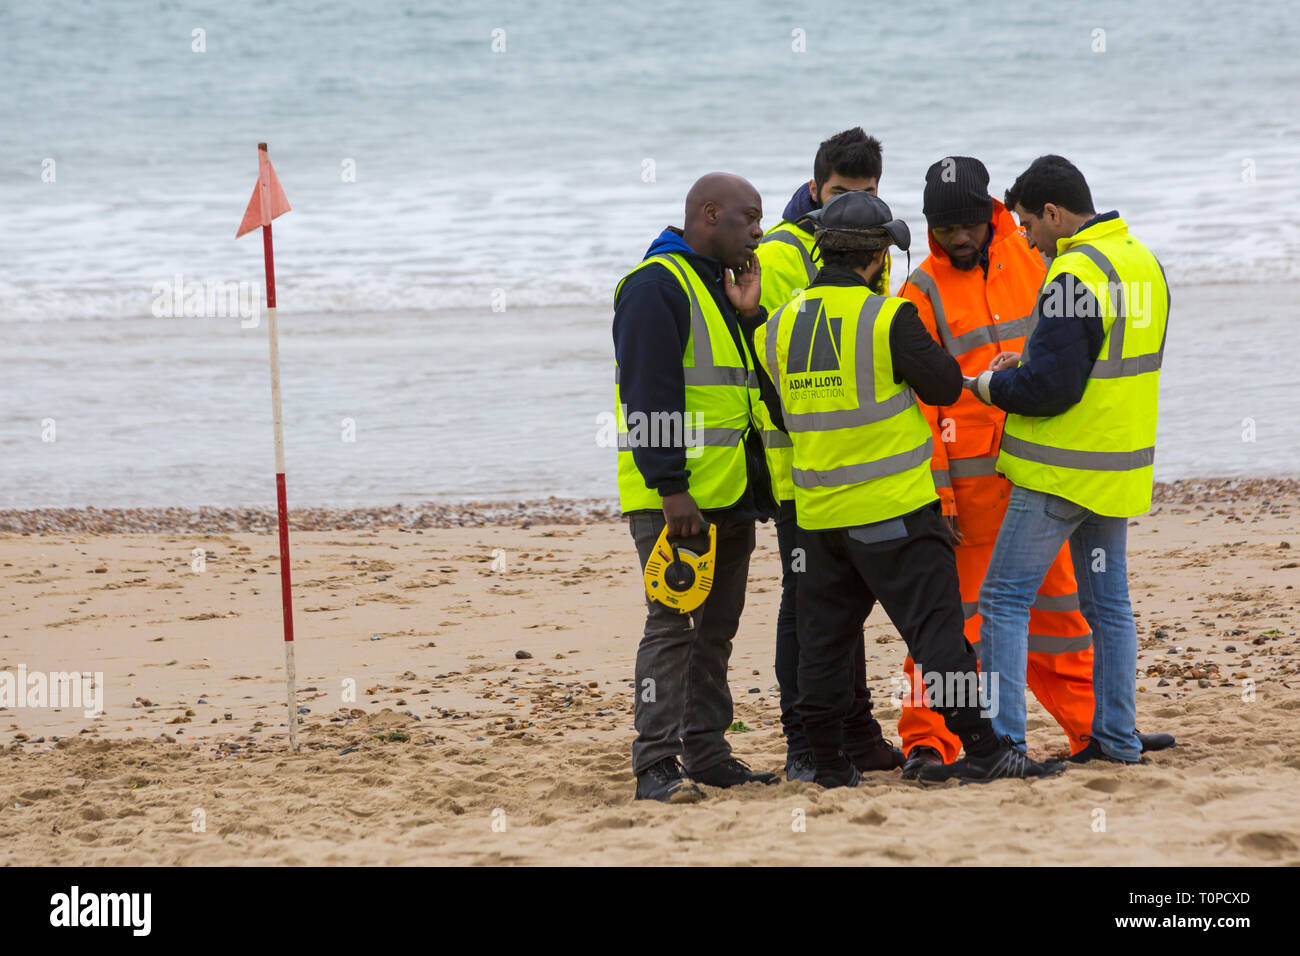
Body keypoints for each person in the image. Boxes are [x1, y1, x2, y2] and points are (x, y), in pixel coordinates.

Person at [752, 190, 1064, 787]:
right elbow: (945, 384)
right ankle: (982, 747)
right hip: (896, 511)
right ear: (875, 259)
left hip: (819, 519)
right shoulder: (888, 318)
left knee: (824, 646)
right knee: (938, 637)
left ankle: (827, 765)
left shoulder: (777, 326)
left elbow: (778, 409)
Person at [894, 156, 1098, 779]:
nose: (959, 237)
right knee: (953, 623)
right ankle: (929, 741)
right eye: (945, 227)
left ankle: (1091, 731)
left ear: (991, 214)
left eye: (968, 225)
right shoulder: (920, 289)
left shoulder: (1035, 259)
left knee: (1060, 611)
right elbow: (917, 406)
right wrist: (939, 492)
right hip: (968, 489)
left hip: (1035, 474)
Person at [966, 155, 1172, 764]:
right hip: (1118, 468)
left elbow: (1053, 390)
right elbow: (1110, 366)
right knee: (1108, 606)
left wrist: (988, 386)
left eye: (1029, 224)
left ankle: (1004, 742)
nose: (1025, 237)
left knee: (1002, 600)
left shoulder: (1071, 274)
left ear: (1054, 214)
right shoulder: (1144, 263)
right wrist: (1030, 368)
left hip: (1060, 472)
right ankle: (1116, 738)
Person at [613, 172, 779, 802]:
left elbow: (740, 388)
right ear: (709, 215)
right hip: (678, 503)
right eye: (749, 219)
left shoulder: (718, 287)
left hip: (729, 494)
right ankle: (654, 763)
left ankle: (706, 752)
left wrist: (750, 314)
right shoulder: (654, 286)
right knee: (673, 627)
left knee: (716, 630)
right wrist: (671, 489)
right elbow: (647, 393)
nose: (758, 233)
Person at [752, 128, 903, 781]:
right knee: (808, 607)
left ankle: (856, 732)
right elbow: (769, 363)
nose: (849, 208)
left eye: (865, 195)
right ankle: (804, 746)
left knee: (846, 603)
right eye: (839, 193)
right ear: (814, 188)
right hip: (799, 467)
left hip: (860, 462)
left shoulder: (873, 243)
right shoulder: (779, 254)